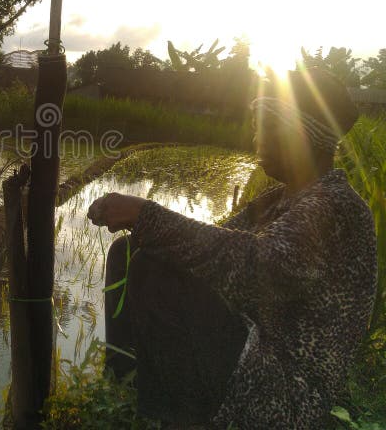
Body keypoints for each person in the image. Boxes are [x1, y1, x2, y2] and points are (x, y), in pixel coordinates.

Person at [87, 67, 377, 429]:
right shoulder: (283, 199)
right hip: (256, 352)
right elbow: (216, 239)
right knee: (127, 253)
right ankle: (123, 392)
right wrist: (144, 226)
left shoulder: (336, 207)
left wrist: (147, 214)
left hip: (284, 393)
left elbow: (256, 270)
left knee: (153, 271)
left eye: (265, 125)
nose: (256, 135)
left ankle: (178, 420)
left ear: (300, 135)